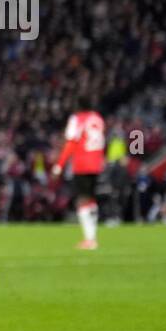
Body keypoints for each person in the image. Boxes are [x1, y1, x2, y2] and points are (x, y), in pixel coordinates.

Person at [52, 102, 105, 249]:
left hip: (82, 164)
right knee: (91, 199)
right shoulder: (98, 118)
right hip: (96, 164)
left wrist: (59, 166)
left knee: (82, 200)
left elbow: (71, 143)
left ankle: (90, 239)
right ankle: (92, 237)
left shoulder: (77, 119)